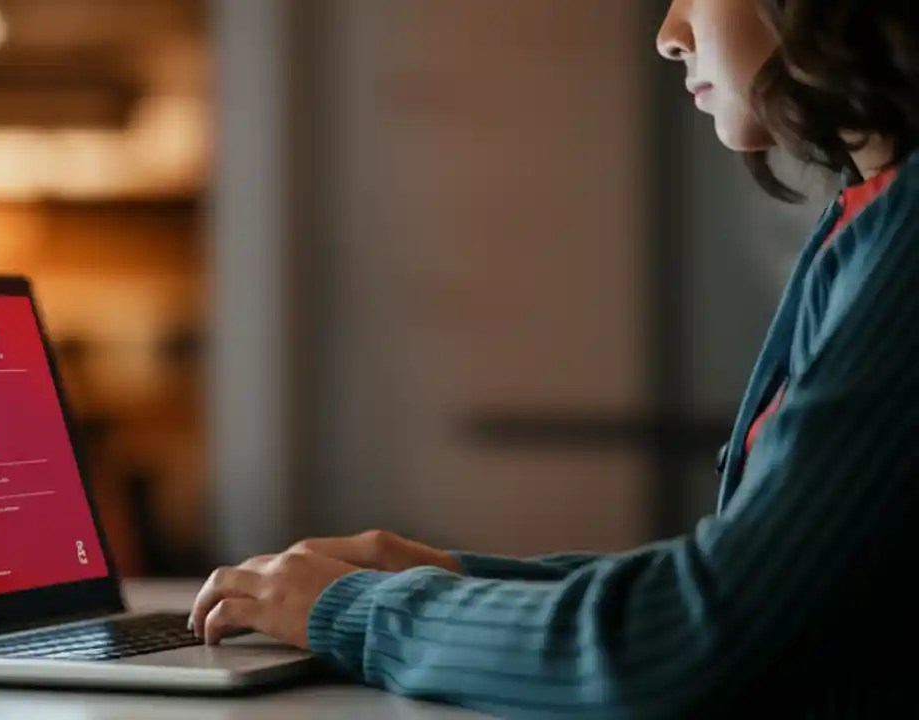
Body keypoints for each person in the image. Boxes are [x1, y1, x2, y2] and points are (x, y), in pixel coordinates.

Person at [189, 1, 919, 716]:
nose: (668, 36)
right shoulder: (867, 219)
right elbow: (757, 594)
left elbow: (687, 637)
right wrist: (456, 579)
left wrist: (357, 611)